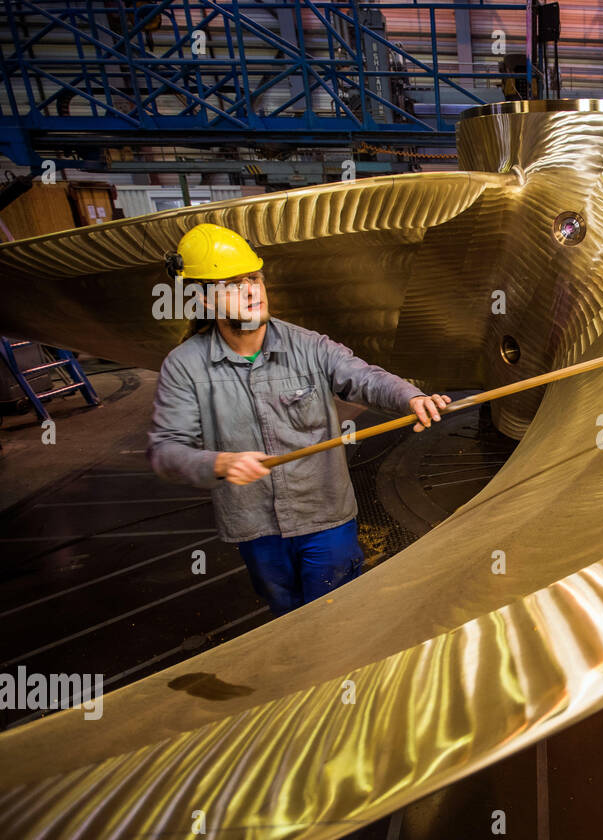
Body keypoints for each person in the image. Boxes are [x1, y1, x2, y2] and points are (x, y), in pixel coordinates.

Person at [147, 223, 450, 616]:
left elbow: (364, 377)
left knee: (338, 613)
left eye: (254, 277)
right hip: (255, 527)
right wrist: (218, 463)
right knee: (287, 618)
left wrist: (412, 398)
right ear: (204, 301)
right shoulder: (185, 366)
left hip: (325, 519)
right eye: (233, 284)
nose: (252, 290)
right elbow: (165, 450)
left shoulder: (308, 346)